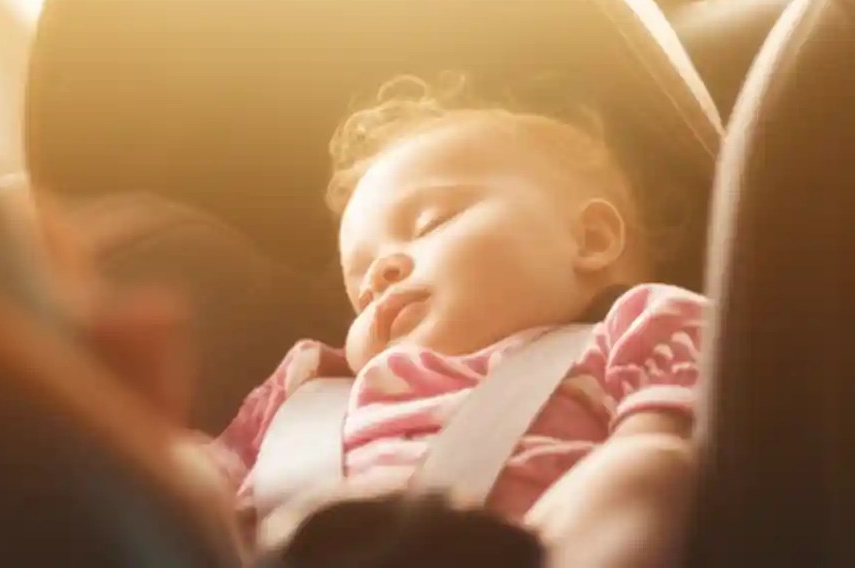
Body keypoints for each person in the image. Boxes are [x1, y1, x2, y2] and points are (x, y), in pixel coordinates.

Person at [207, 72, 703, 559]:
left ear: (591, 239)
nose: (380, 274)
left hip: (530, 548)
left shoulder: (641, 325)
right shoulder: (303, 391)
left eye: (430, 223)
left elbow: (671, 444)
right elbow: (199, 493)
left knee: (647, 467)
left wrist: (640, 456)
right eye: (359, 284)